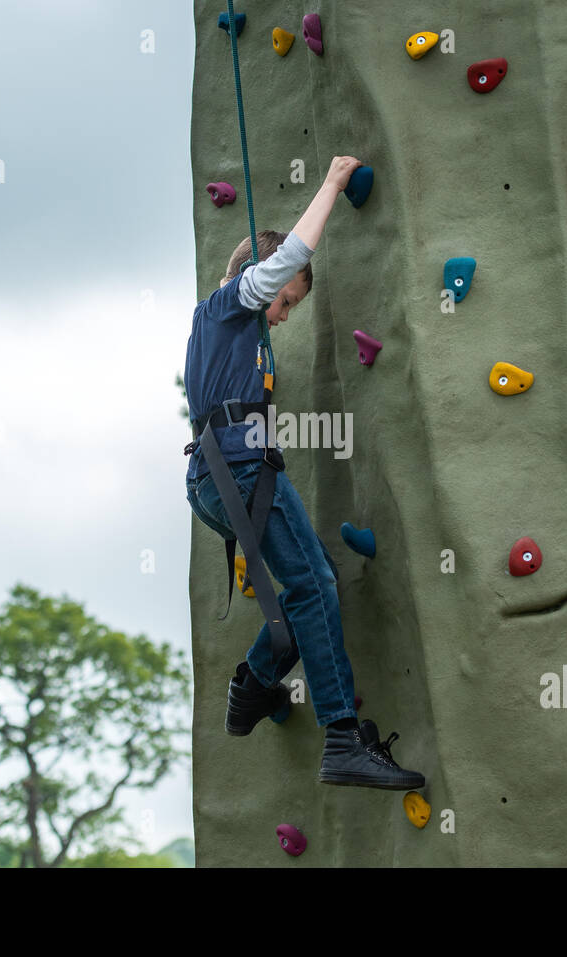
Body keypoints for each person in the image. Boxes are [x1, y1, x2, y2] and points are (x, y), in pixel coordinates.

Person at [184, 156, 425, 790]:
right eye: (285, 301)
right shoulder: (226, 308)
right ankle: (343, 738)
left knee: (307, 592)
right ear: (257, 280)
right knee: (316, 586)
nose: (284, 314)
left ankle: (255, 686)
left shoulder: (231, 336)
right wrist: (333, 183)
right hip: (236, 470)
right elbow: (288, 258)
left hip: (222, 476)